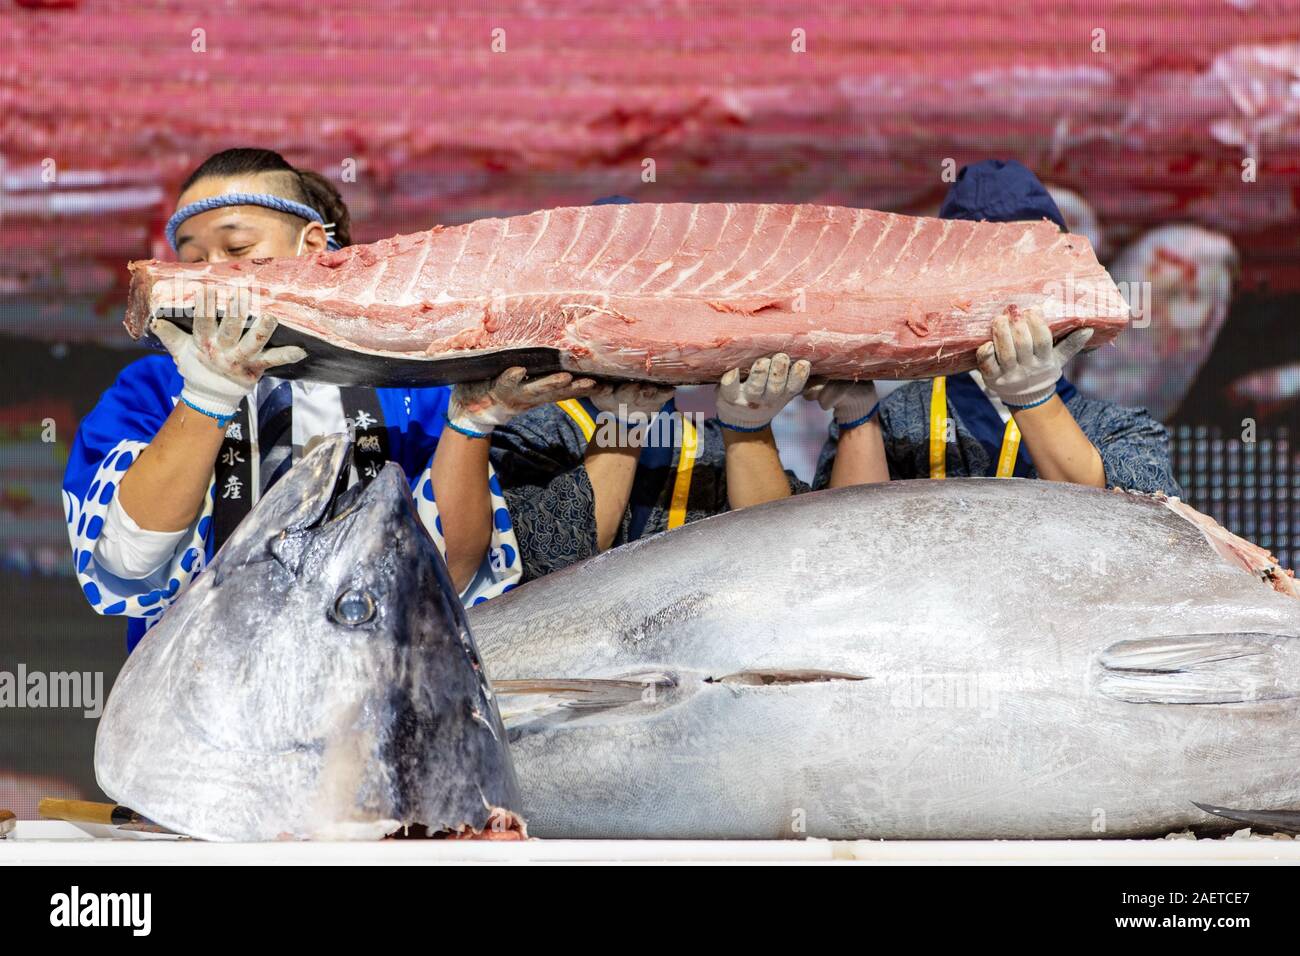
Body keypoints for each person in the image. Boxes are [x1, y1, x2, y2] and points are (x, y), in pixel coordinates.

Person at [63, 148, 586, 650]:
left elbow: (445, 569)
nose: (214, 269)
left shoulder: (406, 380)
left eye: (238, 248)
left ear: (311, 244)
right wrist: (207, 395)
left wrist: (472, 421)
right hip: (202, 706)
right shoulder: (151, 387)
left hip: (364, 694)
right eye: (194, 258)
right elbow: (127, 559)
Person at [429, 198, 814, 582]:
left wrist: (748, 427)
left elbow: (780, 558)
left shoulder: (706, 439)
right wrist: (623, 424)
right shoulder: (535, 432)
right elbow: (550, 559)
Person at [812, 159, 1181, 496]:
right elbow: (842, 545)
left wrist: (1034, 396)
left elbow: (1139, 529)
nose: (1011, 302)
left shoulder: (1119, 429)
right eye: (988, 271)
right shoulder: (895, 421)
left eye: (1031, 270)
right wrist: (859, 419)